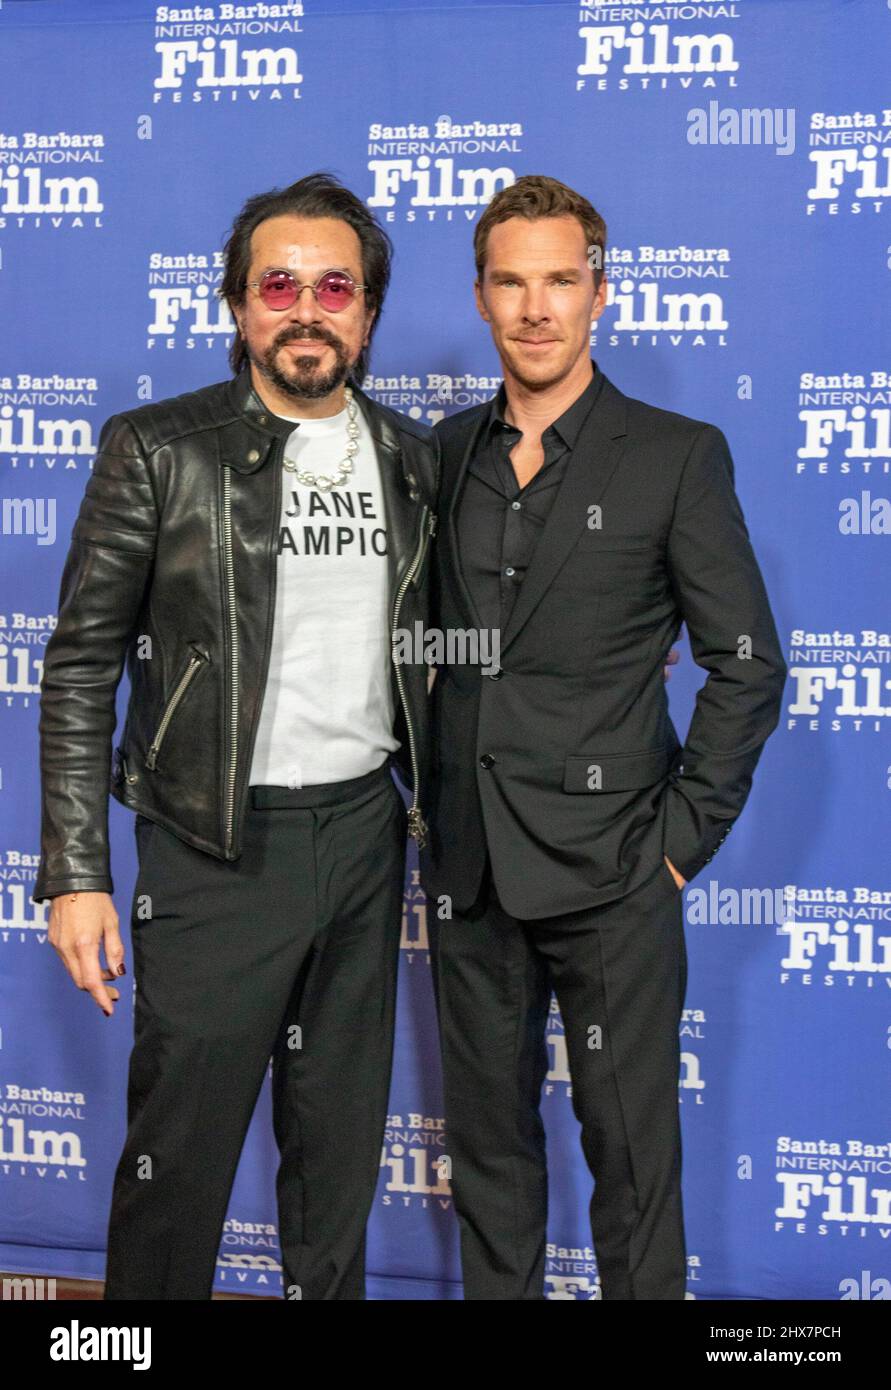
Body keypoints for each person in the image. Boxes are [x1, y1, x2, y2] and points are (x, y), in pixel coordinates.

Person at [34, 172, 438, 1300]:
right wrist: (74, 871)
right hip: (213, 847)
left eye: (335, 286)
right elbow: (79, 662)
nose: (307, 309)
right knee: (178, 1166)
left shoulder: (413, 460)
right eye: (279, 284)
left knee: (338, 1162)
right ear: (237, 305)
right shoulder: (158, 450)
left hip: (363, 839)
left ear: (366, 313)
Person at [421, 174, 787, 1300]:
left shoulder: (677, 455)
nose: (537, 308)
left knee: (633, 1165)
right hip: (472, 869)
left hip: (615, 871)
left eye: (561, 282)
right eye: (512, 282)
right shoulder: (438, 455)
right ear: (482, 296)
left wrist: (675, 843)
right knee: (488, 1165)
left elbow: (746, 661)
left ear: (601, 295)